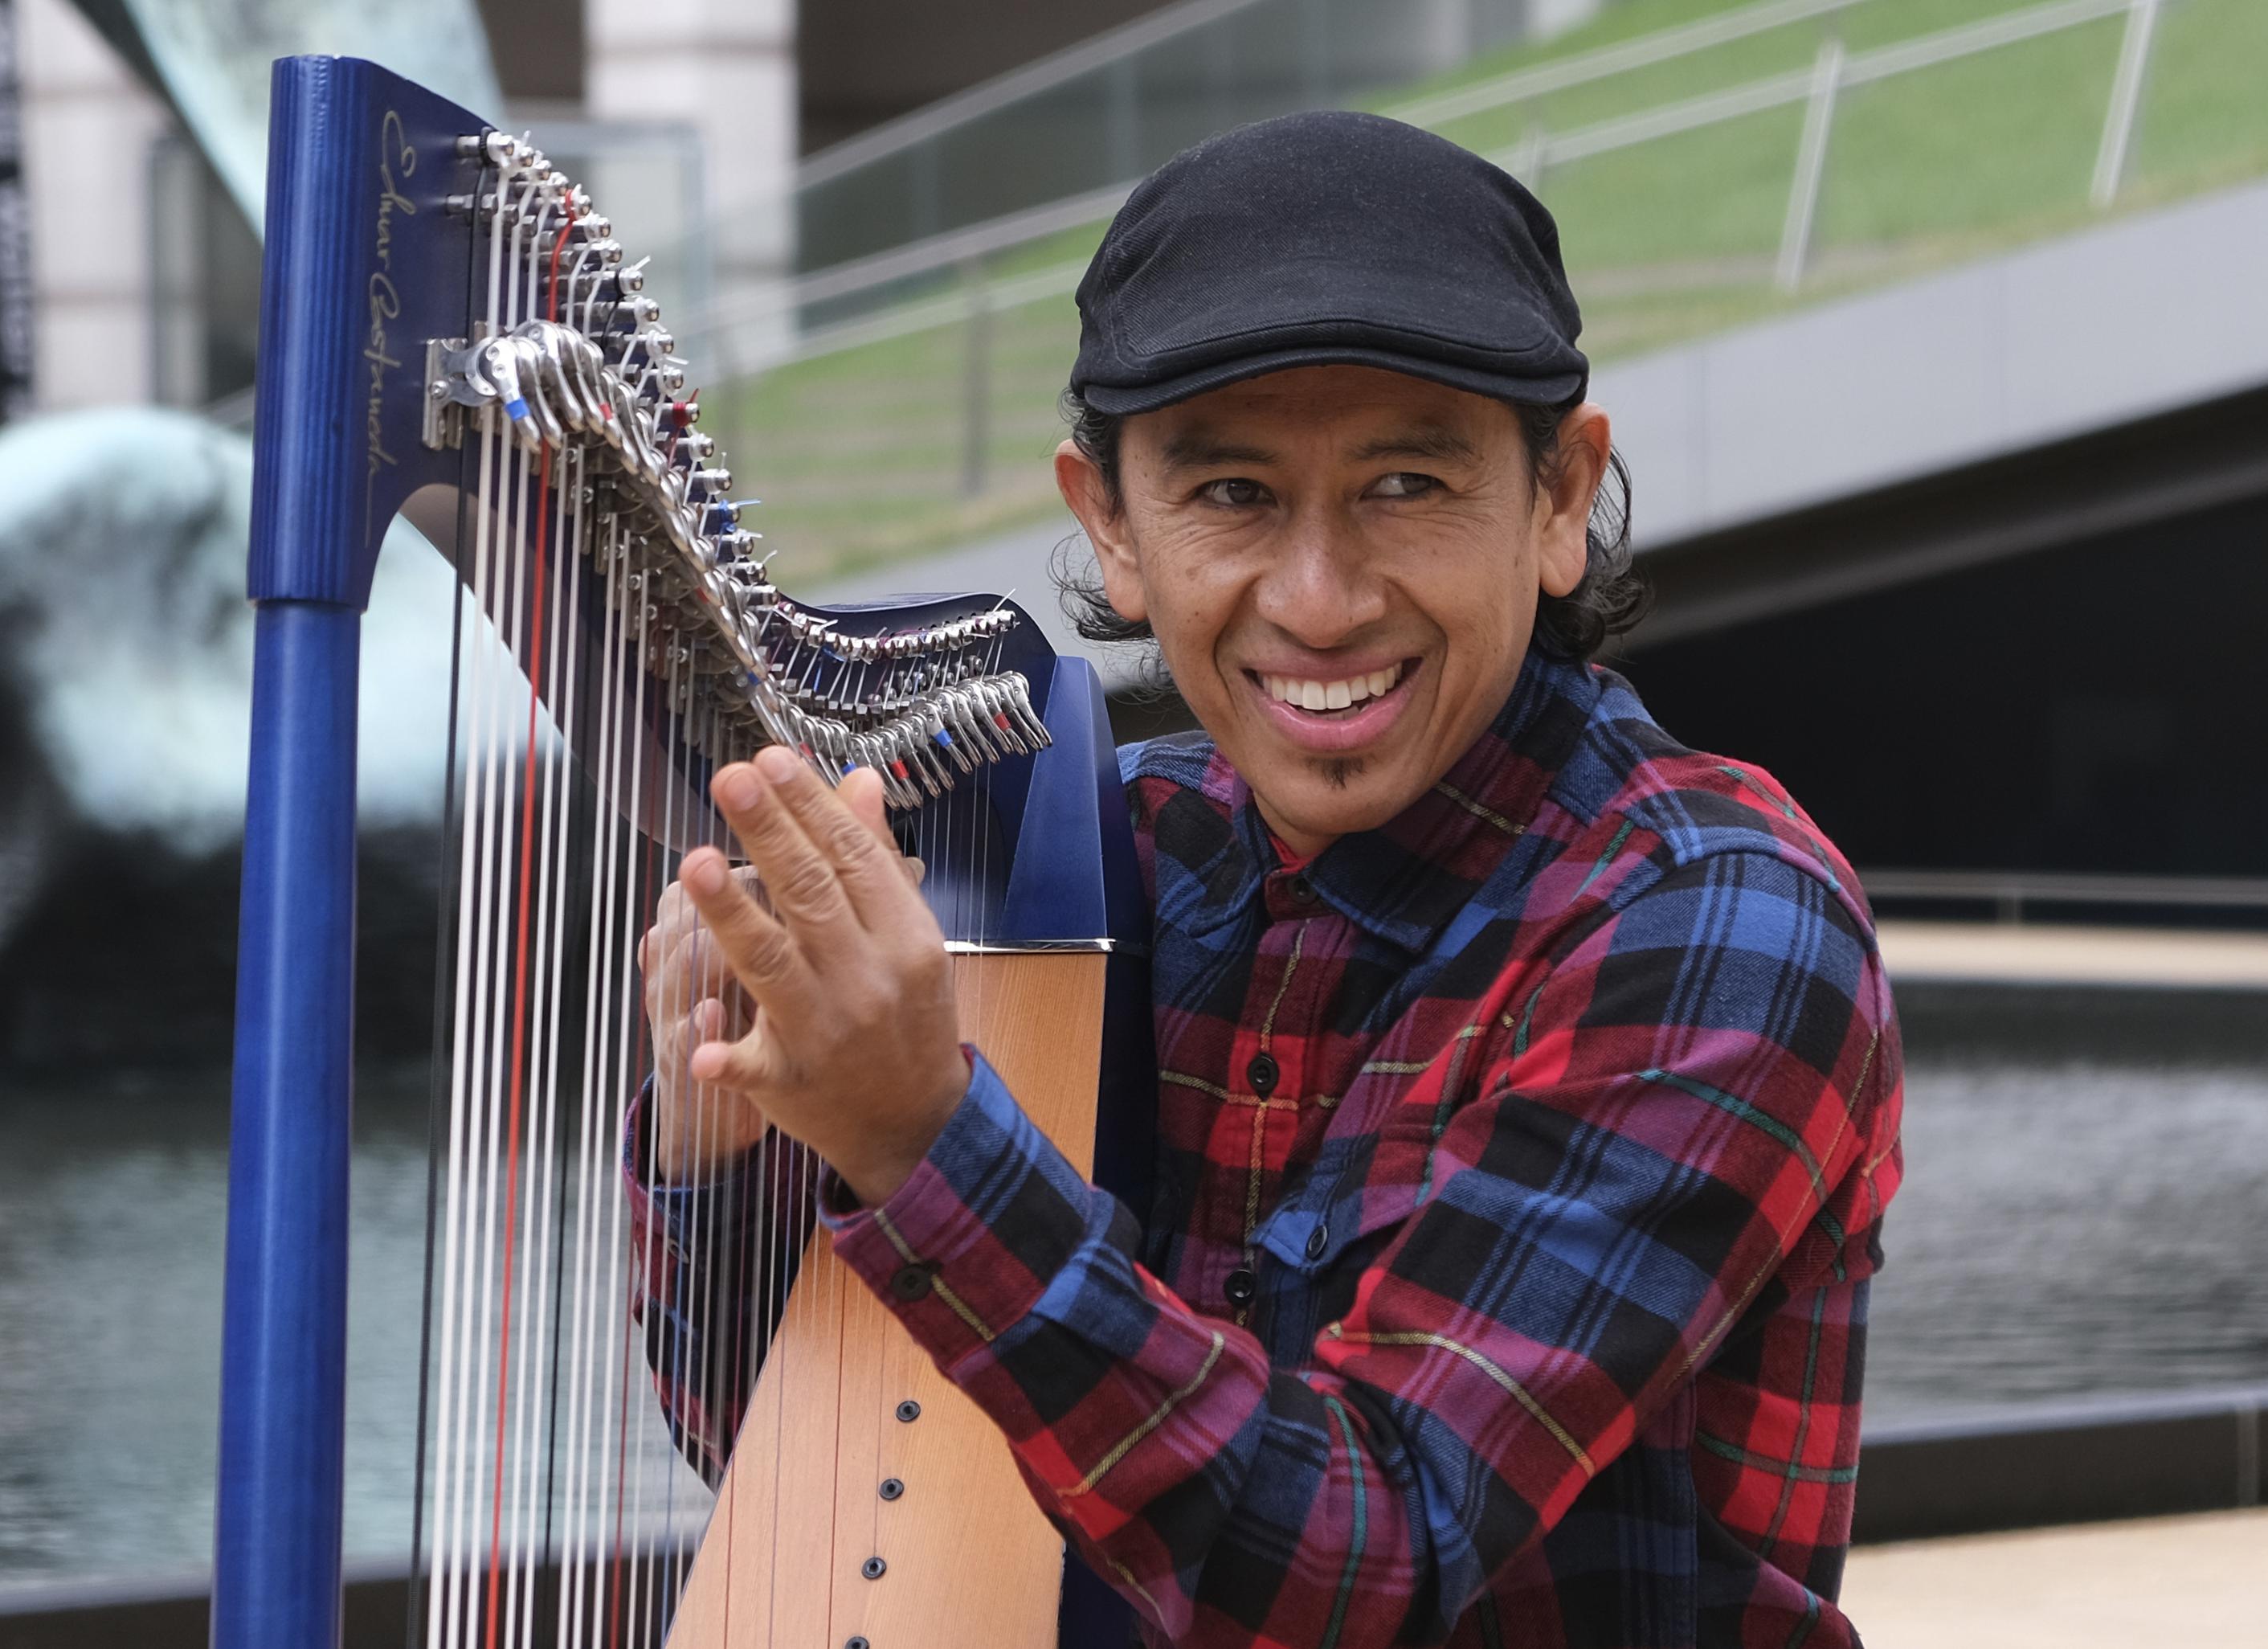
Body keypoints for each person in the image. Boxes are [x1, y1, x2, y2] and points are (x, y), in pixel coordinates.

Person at [627, 111, 1903, 1648]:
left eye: (1406, 484)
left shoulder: (1717, 918)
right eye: (1232, 494)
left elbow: (1375, 1564)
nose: (1319, 599)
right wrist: (726, 1155)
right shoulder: (1102, 851)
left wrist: (921, 1144)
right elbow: (836, 1479)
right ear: (1110, 525)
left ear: (1561, 498)